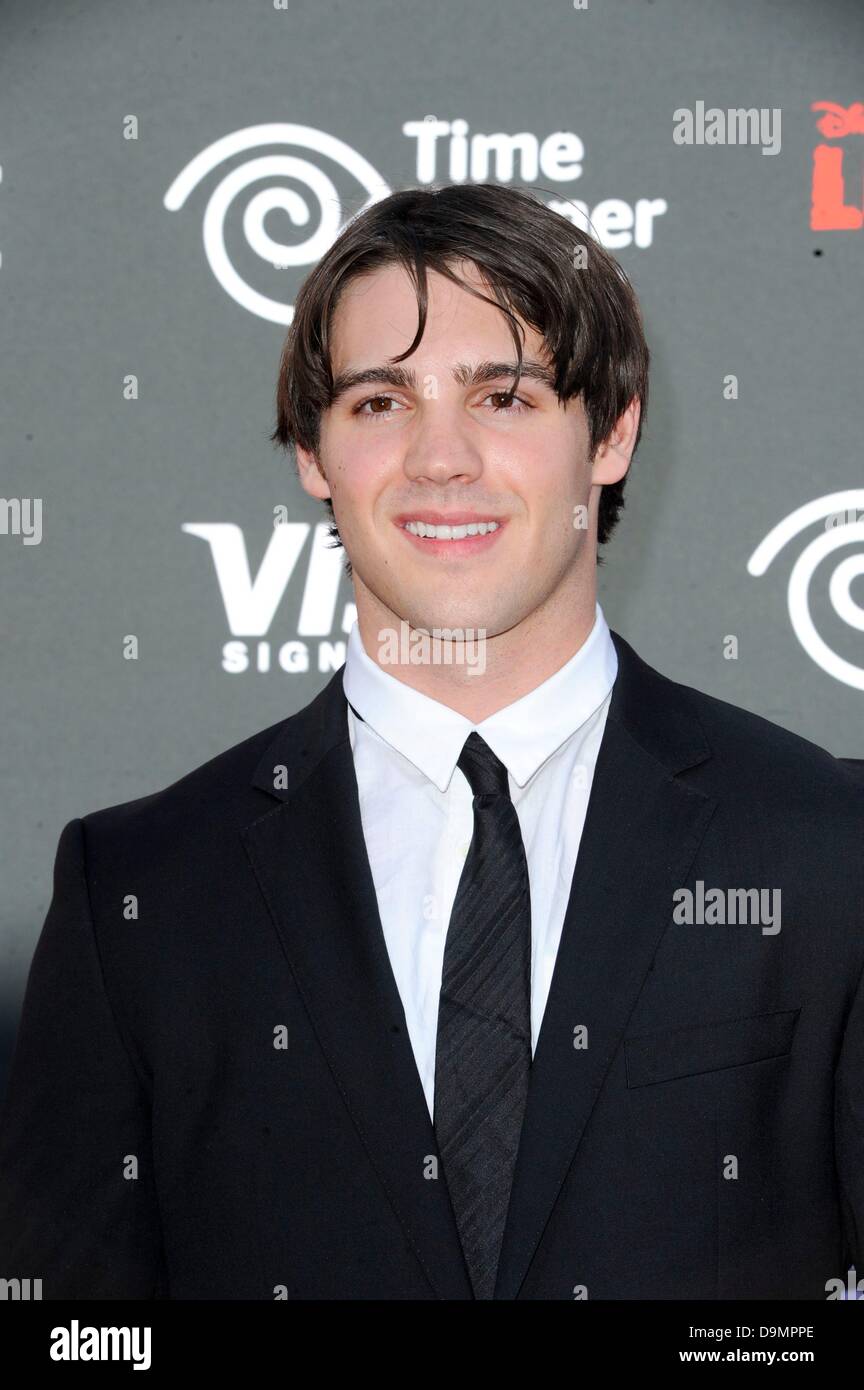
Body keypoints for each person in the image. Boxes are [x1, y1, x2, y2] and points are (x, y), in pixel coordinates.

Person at [1, 183, 861, 1300]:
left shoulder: (824, 847)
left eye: (502, 396)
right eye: (378, 402)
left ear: (612, 429)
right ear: (315, 454)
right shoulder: (141, 894)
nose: (439, 458)